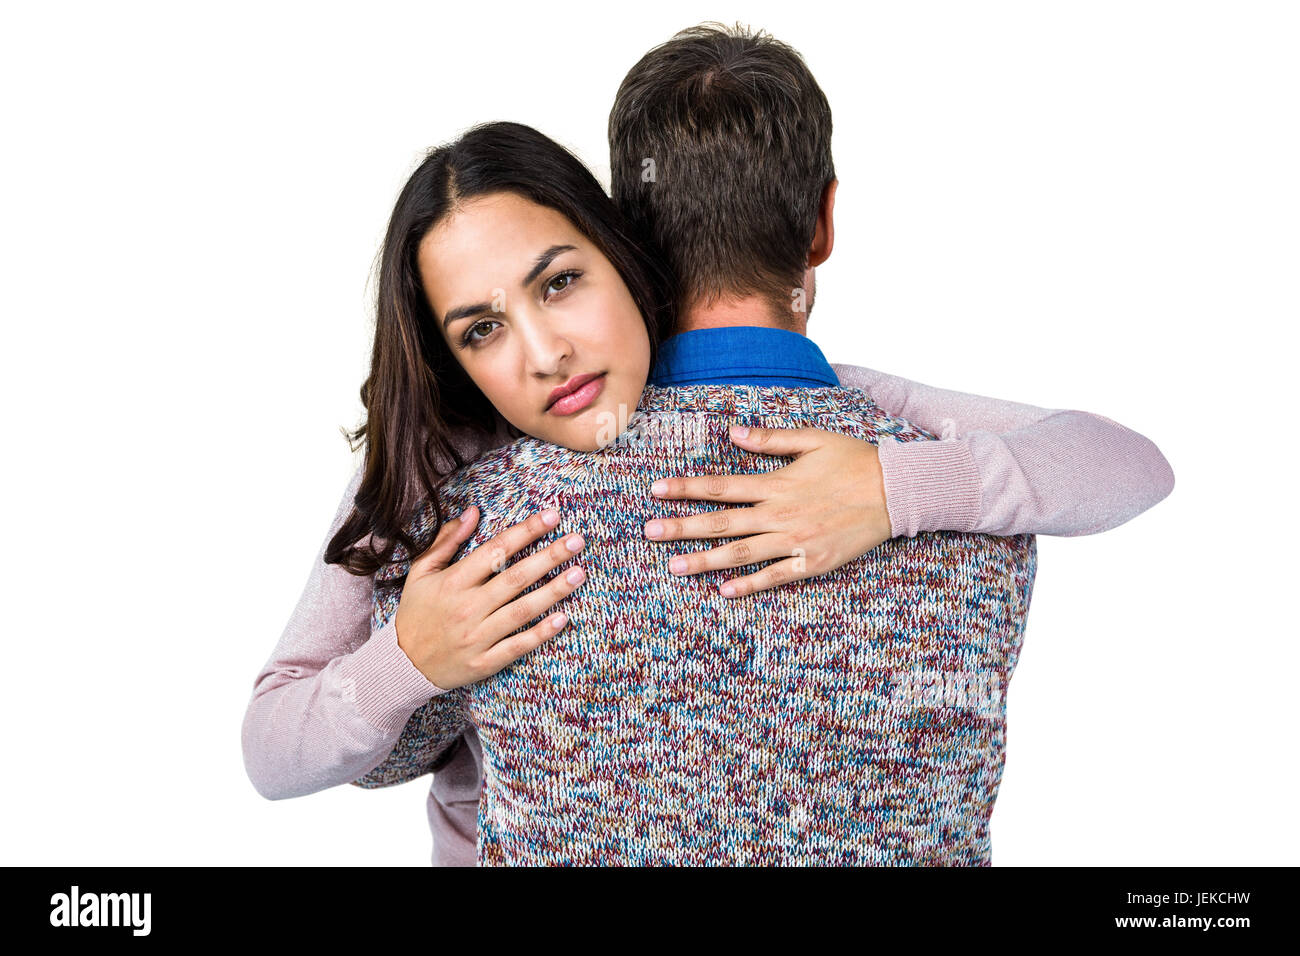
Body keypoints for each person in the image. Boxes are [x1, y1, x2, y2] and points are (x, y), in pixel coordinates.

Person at [241, 30, 1174, 864]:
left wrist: (895, 489)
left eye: (558, 284)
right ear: (822, 223)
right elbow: (288, 742)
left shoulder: (489, 520)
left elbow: (1128, 461)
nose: (544, 353)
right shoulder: (439, 468)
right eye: (480, 330)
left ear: (621, 238)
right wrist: (410, 656)